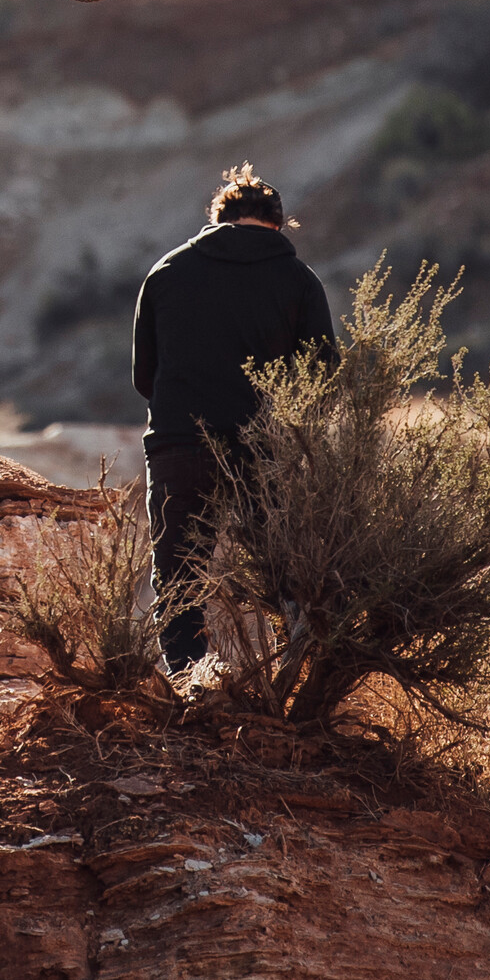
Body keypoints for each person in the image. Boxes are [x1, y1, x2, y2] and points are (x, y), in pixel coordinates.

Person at [131, 162, 338, 677]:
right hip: (265, 450)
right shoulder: (299, 280)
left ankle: (190, 684)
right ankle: (295, 678)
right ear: (277, 224)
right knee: (287, 573)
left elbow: (144, 376)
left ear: (218, 219)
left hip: (180, 442)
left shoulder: (167, 271)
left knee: (178, 575)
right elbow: (322, 378)